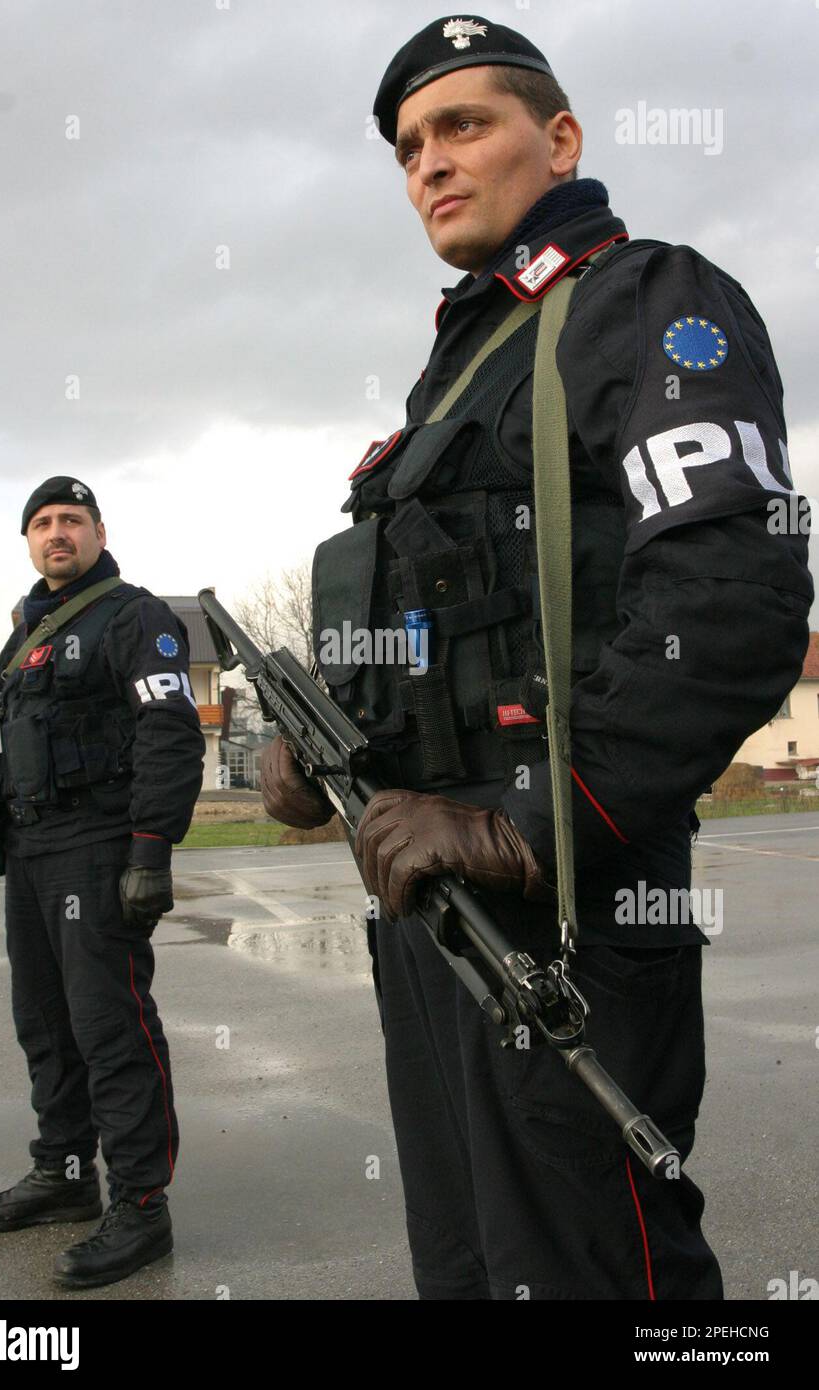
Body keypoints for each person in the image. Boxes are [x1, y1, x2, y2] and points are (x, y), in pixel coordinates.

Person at [261, 16, 814, 1300]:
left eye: (464, 126)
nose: (429, 166)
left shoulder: (645, 302)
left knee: (587, 1269)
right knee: (466, 1267)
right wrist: (327, 736)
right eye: (408, 148)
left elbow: (732, 601)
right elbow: (438, 619)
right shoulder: (454, 376)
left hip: (568, 901)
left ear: (558, 138)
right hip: (429, 905)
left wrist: (535, 824)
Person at [0, 476, 205, 1289]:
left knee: (108, 1027)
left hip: (97, 847)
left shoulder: (133, 616)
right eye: (44, 523)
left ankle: (141, 1204)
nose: (58, 533)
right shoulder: (24, 635)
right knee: (47, 1023)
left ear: (97, 532)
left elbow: (170, 730)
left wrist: (152, 846)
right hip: (28, 849)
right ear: (29, 540)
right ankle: (61, 1173)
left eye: (73, 521)